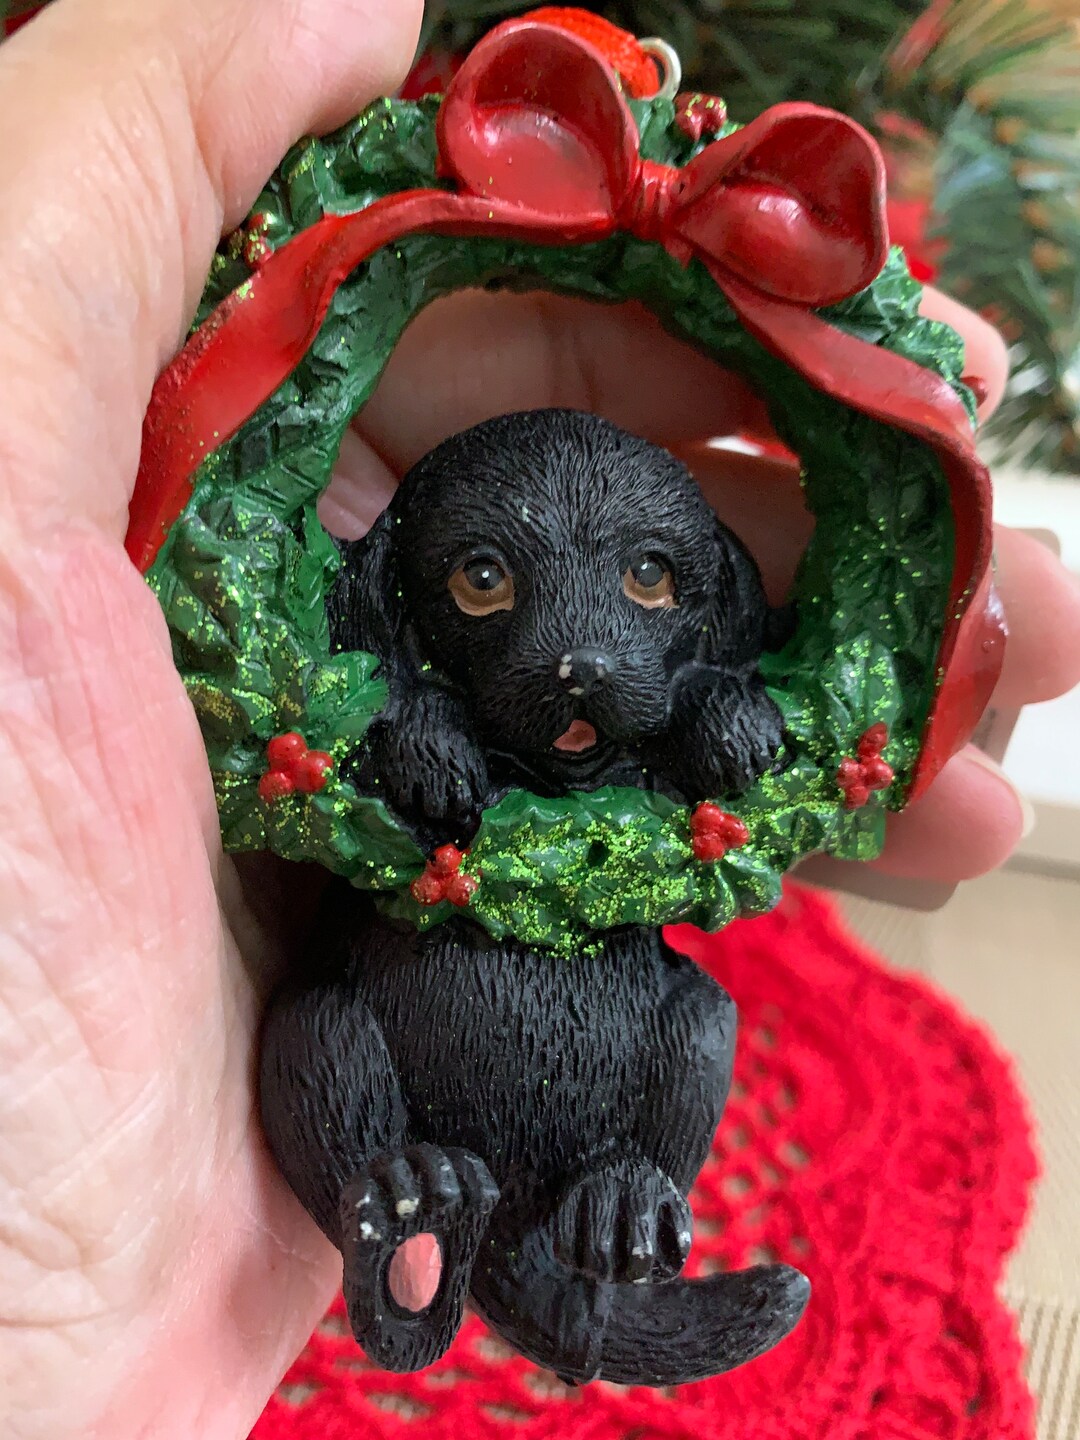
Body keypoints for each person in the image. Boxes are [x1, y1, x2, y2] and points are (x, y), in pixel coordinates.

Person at [2, 3, 1079, 1437]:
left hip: (608, 1072)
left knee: (695, 1015)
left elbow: (722, 708)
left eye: (646, 582)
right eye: (485, 580)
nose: (572, 655)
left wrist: (719, 715)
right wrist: (399, 730)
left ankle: (626, 1194)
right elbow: (363, 696)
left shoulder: (695, 707)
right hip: (386, 1053)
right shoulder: (387, 689)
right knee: (318, 1030)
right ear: (404, 592)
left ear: (711, 600)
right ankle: (387, 1198)